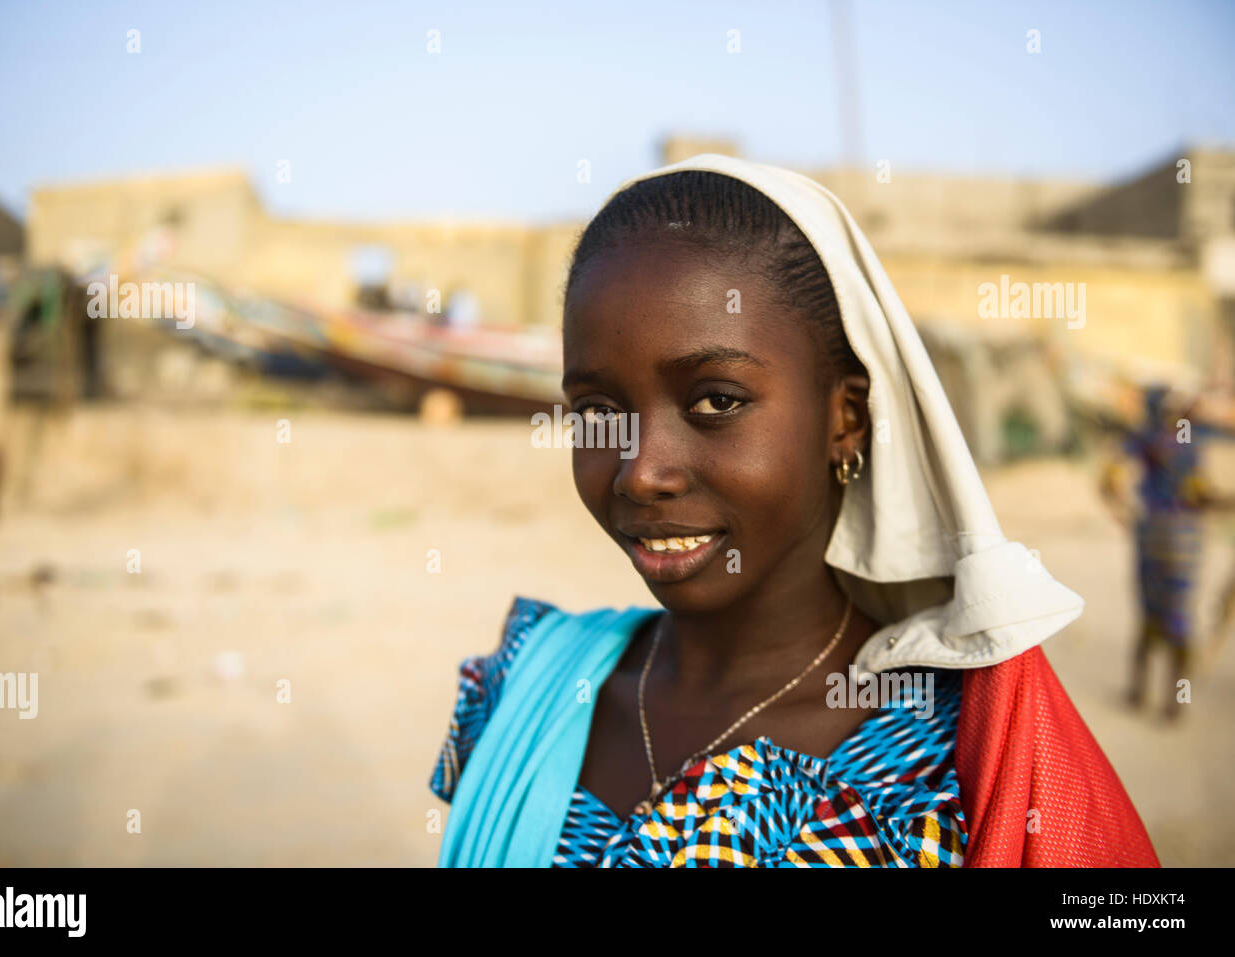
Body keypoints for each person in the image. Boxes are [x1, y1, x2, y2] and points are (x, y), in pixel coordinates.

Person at [430, 154, 1159, 867]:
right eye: (597, 411)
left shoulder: (946, 783)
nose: (641, 470)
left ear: (845, 419)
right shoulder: (527, 687)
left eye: (717, 400)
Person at [1101, 383, 1235, 720]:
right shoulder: (1189, 443)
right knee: (1178, 617)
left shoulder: (1145, 438)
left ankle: (1138, 691)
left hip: (1150, 534)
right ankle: (1175, 701)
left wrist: (1125, 511)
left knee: (1148, 612)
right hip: (1184, 540)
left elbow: (1110, 479)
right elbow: (1199, 493)